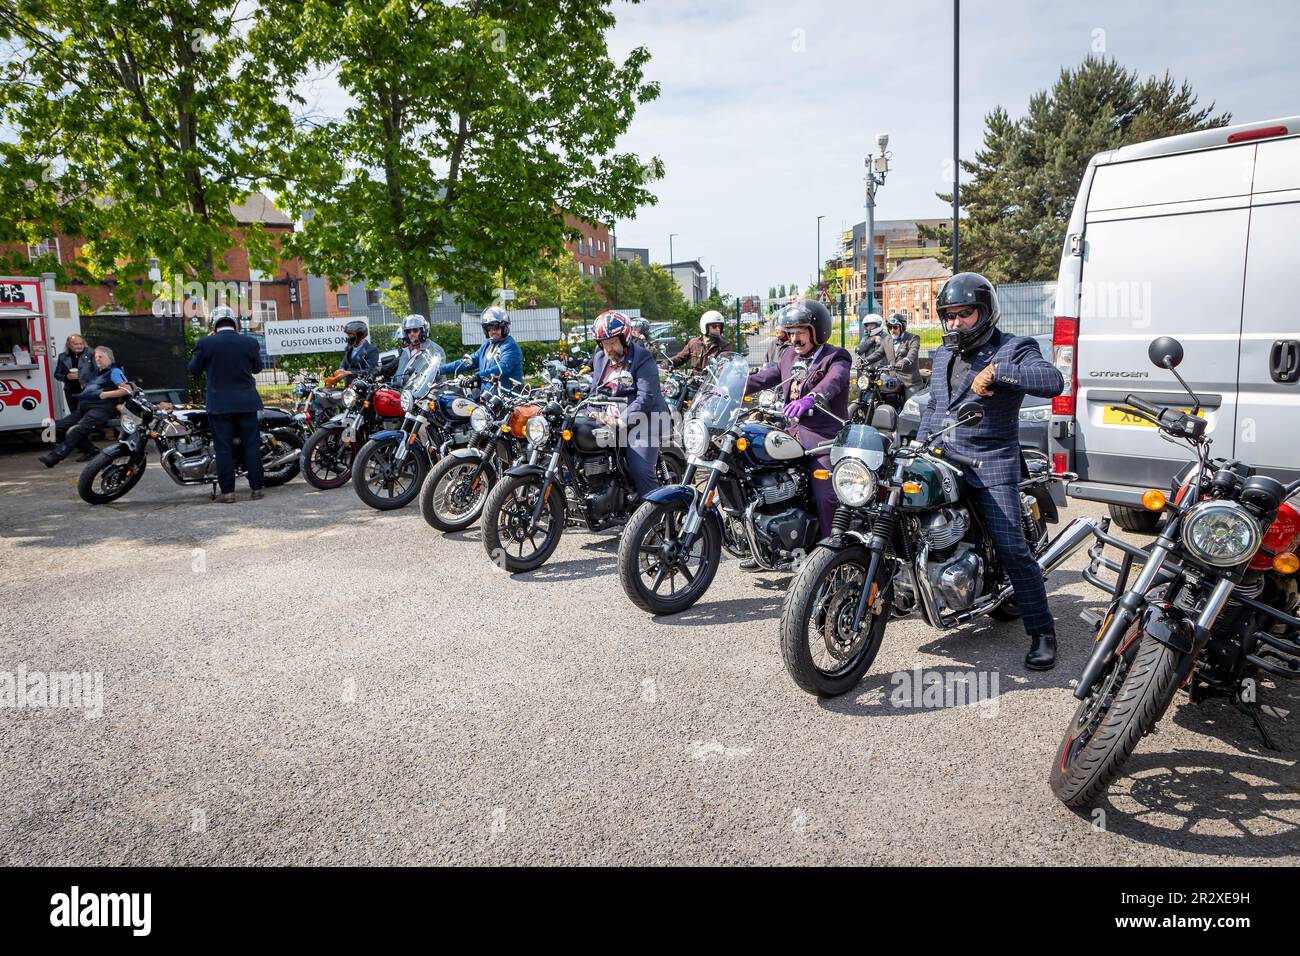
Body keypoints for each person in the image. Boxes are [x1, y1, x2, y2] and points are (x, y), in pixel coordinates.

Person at [915, 272, 1065, 671]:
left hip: (990, 462)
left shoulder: (1015, 348)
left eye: (964, 314)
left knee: (1013, 548)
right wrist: (920, 443)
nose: (955, 322)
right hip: (943, 456)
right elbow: (937, 407)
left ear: (985, 312)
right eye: (949, 315)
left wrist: (999, 372)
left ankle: (1042, 632)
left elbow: (1053, 380)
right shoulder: (945, 354)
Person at [744, 300, 851, 566]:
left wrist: (811, 399)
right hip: (788, 430)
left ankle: (832, 556)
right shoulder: (788, 356)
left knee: (825, 494)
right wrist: (733, 387)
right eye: (790, 332)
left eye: (799, 331)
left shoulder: (836, 357)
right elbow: (766, 376)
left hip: (822, 435)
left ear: (816, 330)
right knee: (750, 472)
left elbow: (832, 382)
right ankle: (758, 543)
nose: (794, 338)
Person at [187, 306, 265, 503]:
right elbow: (257, 368)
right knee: (252, 446)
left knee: (223, 449)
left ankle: (228, 492)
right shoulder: (250, 342)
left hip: (219, 404)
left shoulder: (205, 343)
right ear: (235, 324)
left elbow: (193, 370)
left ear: (214, 324)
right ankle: (256, 489)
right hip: (247, 403)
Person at [589, 310, 669, 498]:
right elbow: (594, 392)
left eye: (611, 343)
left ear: (624, 338)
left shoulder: (642, 357)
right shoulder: (600, 358)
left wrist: (621, 420)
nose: (607, 349)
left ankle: (655, 516)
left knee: (640, 468)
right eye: (603, 343)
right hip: (608, 420)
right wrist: (593, 412)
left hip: (645, 420)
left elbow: (646, 396)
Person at [39, 346, 133, 467]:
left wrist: (106, 394)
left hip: (101, 409)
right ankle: (90, 450)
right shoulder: (97, 372)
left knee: (75, 430)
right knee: (55, 428)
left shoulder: (114, 371)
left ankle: (53, 458)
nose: (97, 359)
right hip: (83, 408)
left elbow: (127, 389)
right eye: (96, 357)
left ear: (109, 357)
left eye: (100, 356)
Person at [441, 306, 523, 394]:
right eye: (489, 329)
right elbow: (468, 362)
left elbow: (501, 368)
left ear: (504, 328)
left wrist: (478, 376)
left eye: (496, 327)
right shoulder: (487, 344)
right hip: (488, 398)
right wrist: (440, 370)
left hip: (507, 400)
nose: (493, 331)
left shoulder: (510, 346)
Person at [883, 313, 922, 395]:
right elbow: (878, 353)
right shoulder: (887, 339)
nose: (892, 330)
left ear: (902, 327)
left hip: (909, 381)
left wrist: (905, 360)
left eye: (895, 327)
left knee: (910, 404)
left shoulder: (913, 338)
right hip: (893, 379)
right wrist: (865, 360)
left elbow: (912, 353)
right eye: (890, 327)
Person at [54, 334, 94, 413]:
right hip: (71, 391)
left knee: (89, 414)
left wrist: (80, 376)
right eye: (76, 344)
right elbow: (57, 374)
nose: (79, 346)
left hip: (88, 389)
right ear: (69, 345)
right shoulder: (62, 357)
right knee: (75, 415)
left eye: (81, 343)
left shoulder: (91, 354)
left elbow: (97, 372)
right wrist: (66, 377)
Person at [393, 314, 430, 387]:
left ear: (423, 331)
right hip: (405, 394)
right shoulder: (406, 352)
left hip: (425, 394)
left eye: (415, 330)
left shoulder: (433, 349)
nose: (411, 334)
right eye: (408, 331)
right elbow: (399, 374)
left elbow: (438, 375)